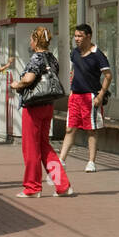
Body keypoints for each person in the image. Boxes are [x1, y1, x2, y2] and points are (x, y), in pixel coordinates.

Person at [11, 26, 73, 198]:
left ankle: (33, 187)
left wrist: (17, 84)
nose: (30, 43)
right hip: (48, 106)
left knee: (31, 148)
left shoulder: (36, 58)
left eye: (31, 40)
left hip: (34, 107)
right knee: (45, 146)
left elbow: (29, 79)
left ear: (36, 41)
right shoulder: (52, 58)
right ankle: (63, 186)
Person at [59, 24, 112, 174]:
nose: (76, 39)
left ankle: (91, 162)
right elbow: (74, 71)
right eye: (75, 36)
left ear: (88, 36)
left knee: (91, 130)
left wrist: (101, 95)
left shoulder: (98, 55)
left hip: (90, 97)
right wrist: (71, 90)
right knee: (70, 128)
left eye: (79, 36)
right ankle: (61, 160)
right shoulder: (75, 53)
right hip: (75, 96)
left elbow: (108, 76)